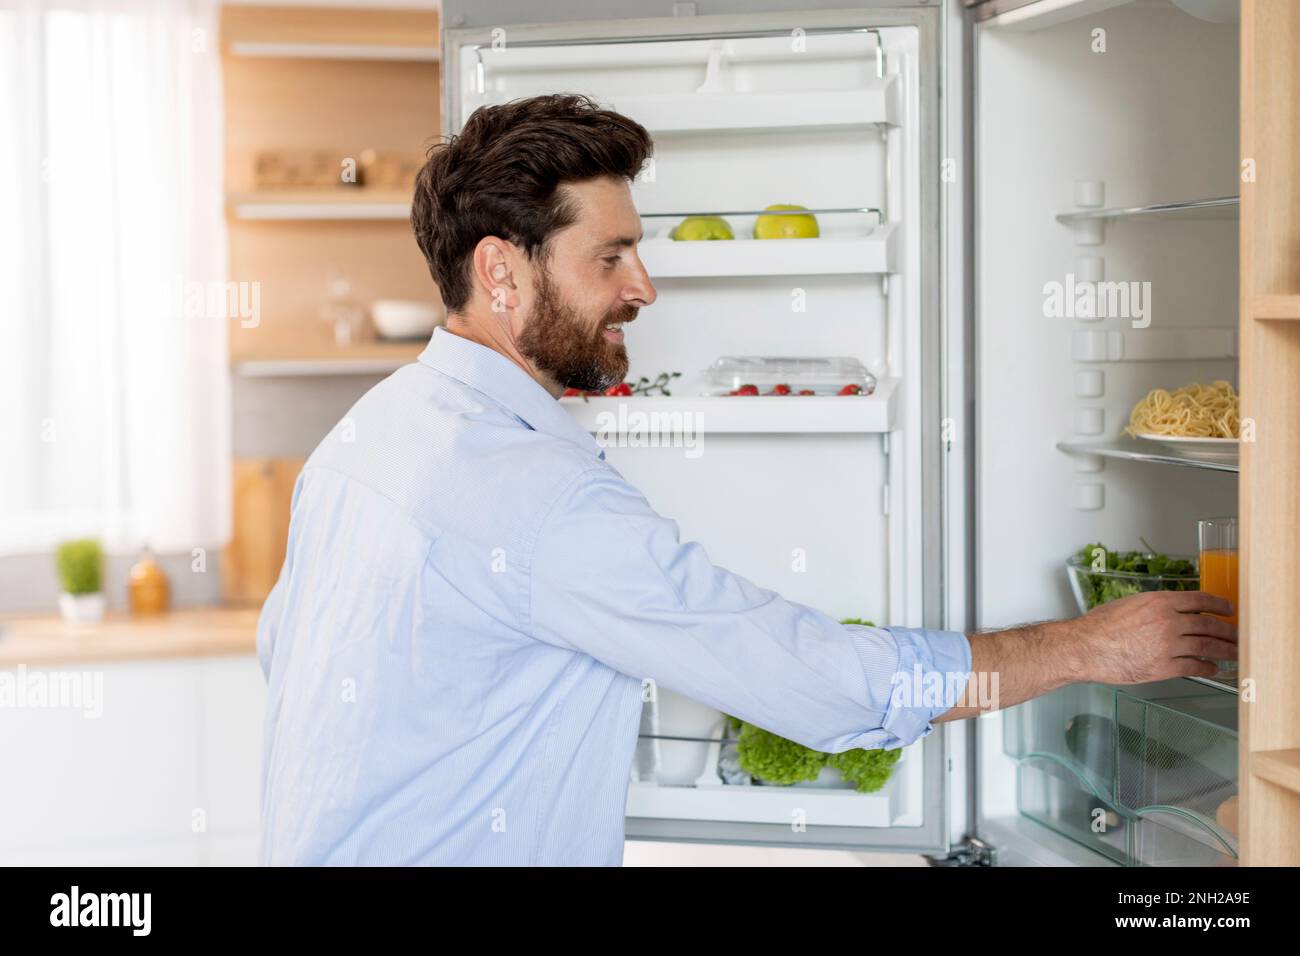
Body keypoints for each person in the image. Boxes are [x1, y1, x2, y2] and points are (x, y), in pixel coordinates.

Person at [255, 94, 1236, 866]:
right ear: (501, 271)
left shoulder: (367, 435)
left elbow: (290, 662)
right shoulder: (532, 495)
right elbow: (815, 684)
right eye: (611, 255)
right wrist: (1087, 646)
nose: (644, 285)